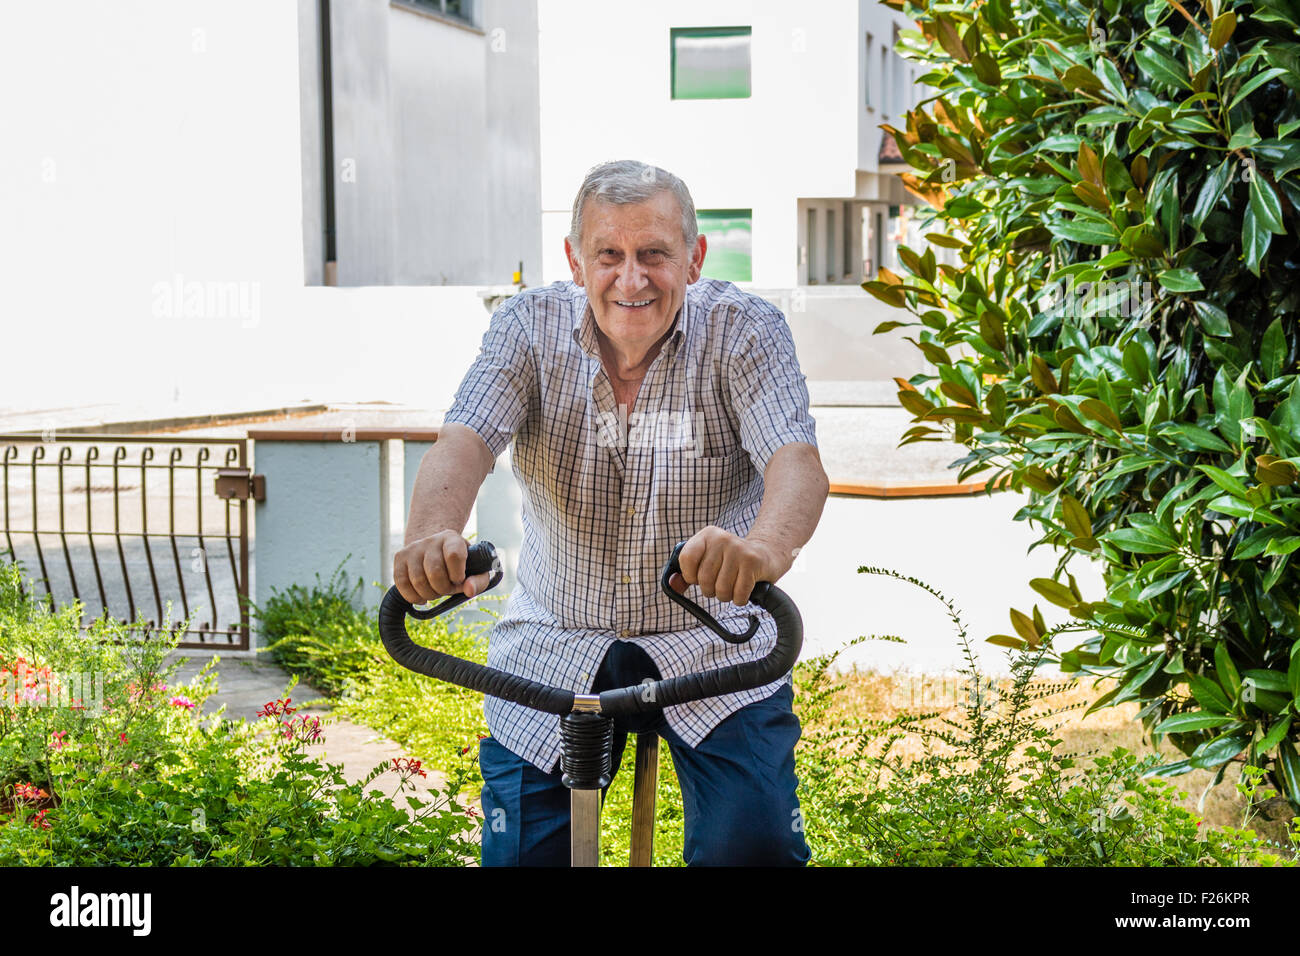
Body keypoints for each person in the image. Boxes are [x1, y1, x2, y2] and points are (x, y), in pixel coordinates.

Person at [394, 159, 829, 866]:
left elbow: (796, 463)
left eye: (654, 254)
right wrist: (431, 537)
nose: (632, 280)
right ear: (575, 260)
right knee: (525, 860)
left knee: (749, 850)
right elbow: (464, 440)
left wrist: (763, 552)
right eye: (610, 255)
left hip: (714, 639)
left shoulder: (746, 330)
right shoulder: (527, 328)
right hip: (556, 634)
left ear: (693, 257)